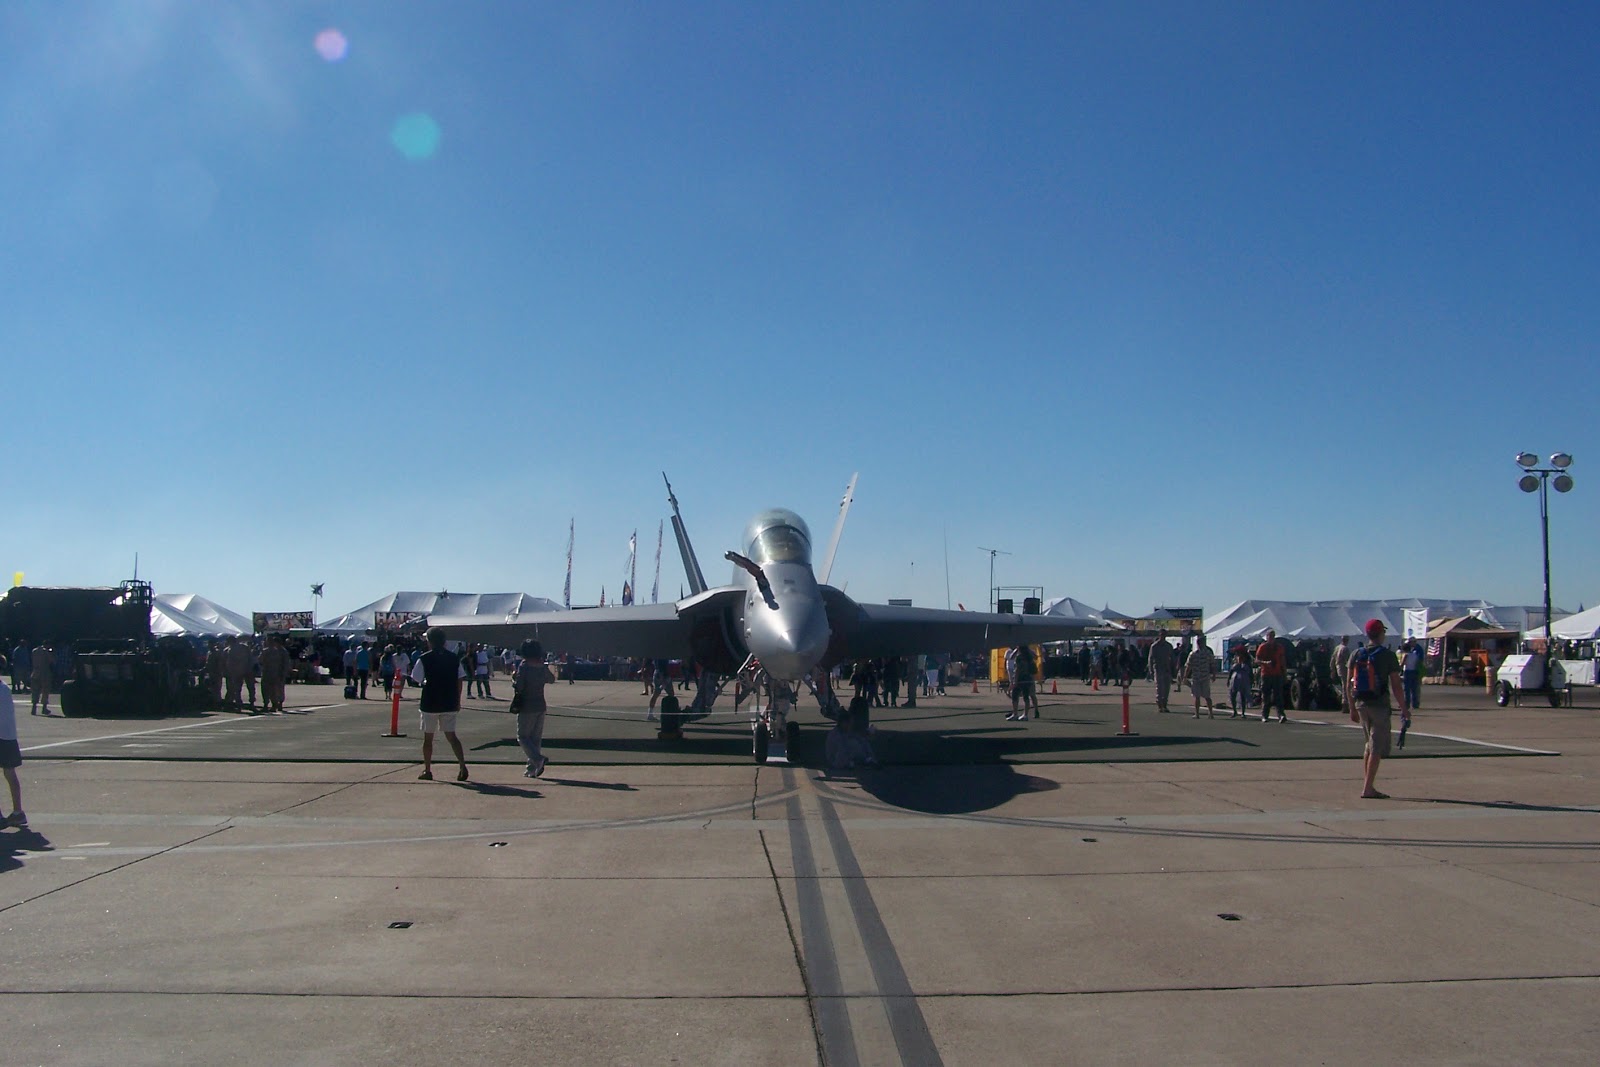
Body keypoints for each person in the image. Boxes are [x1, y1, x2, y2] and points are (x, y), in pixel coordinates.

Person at [1346, 618, 1405, 799]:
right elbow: (1395, 684)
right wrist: (1404, 707)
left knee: (1368, 745)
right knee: (1377, 747)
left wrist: (1351, 708)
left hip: (1361, 704)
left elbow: (1348, 683)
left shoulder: (1356, 653)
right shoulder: (1387, 655)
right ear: (1381, 633)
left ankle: (1367, 783)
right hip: (1379, 705)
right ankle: (1368, 788)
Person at [409, 629, 469, 782]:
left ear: (429, 641)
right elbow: (459, 679)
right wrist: (457, 699)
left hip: (430, 701)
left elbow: (416, 678)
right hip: (449, 701)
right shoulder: (453, 658)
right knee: (452, 736)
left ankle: (427, 769)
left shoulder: (424, 658)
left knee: (428, 738)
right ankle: (462, 765)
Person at [511, 639, 555, 778]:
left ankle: (537, 759)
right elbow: (551, 679)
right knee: (535, 739)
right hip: (540, 704)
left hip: (527, 705)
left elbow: (520, 686)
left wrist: (513, 678)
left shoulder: (524, 666)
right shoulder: (541, 665)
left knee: (523, 737)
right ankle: (531, 769)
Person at [825, 695, 879, 771]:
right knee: (853, 743)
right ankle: (862, 761)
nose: (851, 725)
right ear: (844, 723)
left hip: (846, 757)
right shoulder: (836, 735)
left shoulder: (847, 733)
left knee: (862, 741)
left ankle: (868, 760)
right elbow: (841, 751)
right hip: (836, 760)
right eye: (850, 723)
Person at [1, 678, 25, 827]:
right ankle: (18, 812)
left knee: (9, 773)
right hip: (8, 736)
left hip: (2, 736)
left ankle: (16, 812)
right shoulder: (4, 688)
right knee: (9, 773)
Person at [1255, 628, 1287, 723]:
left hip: (1277, 674)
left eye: (1273, 636)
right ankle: (1264, 715)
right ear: (1267, 637)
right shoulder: (1263, 647)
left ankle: (1281, 715)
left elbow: (1282, 661)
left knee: (1278, 696)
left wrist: (1284, 673)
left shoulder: (1279, 647)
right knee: (1266, 696)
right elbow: (1256, 660)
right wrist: (1265, 663)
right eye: (1270, 636)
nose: (1271, 638)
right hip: (1266, 674)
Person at [1185, 633, 1217, 718]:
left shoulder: (1196, 654)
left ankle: (1202, 713)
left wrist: (1185, 676)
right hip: (1200, 676)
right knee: (1202, 696)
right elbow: (1189, 666)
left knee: (1201, 696)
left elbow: (1188, 666)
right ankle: (1206, 713)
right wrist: (1213, 675)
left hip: (1200, 676)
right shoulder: (1205, 653)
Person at [259, 635, 291, 714]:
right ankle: (275, 704)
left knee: (266, 690)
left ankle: (267, 705)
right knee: (275, 690)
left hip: (267, 673)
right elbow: (285, 663)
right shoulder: (279, 651)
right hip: (276, 673)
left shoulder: (265, 651)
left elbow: (260, 660)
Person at [1148, 637, 1174, 712]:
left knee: (1166, 688)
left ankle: (1165, 705)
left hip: (1167, 669)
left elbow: (1172, 657)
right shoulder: (1154, 646)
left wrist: (1173, 668)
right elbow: (1150, 658)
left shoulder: (1168, 646)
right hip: (1158, 668)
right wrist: (1151, 670)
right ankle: (1160, 705)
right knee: (1159, 688)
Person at [1227, 646, 1252, 719]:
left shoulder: (1247, 660)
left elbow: (1250, 671)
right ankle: (1235, 711)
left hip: (1243, 678)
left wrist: (1251, 679)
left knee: (1243, 695)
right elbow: (1231, 670)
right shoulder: (1235, 659)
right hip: (1235, 678)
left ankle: (1243, 712)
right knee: (1233, 695)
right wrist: (1228, 679)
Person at [1400, 638, 1424, 711]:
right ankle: (1415, 704)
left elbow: (1402, 664)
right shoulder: (1415, 655)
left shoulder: (1406, 655)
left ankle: (1407, 704)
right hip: (1415, 671)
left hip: (1407, 672)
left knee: (1407, 689)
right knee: (1414, 689)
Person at [30, 643, 53, 715]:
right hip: (44, 673)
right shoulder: (46, 651)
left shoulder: (34, 651)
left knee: (35, 691)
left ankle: (34, 708)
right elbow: (52, 660)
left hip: (35, 672)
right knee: (45, 691)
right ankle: (44, 708)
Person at [1329, 636, 1352, 712]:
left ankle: (1343, 699)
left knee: (1343, 685)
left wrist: (1332, 670)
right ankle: (1345, 704)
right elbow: (1348, 661)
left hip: (1338, 668)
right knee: (1346, 686)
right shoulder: (1345, 649)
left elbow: (1332, 659)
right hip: (1343, 668)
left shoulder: (1337, 648)